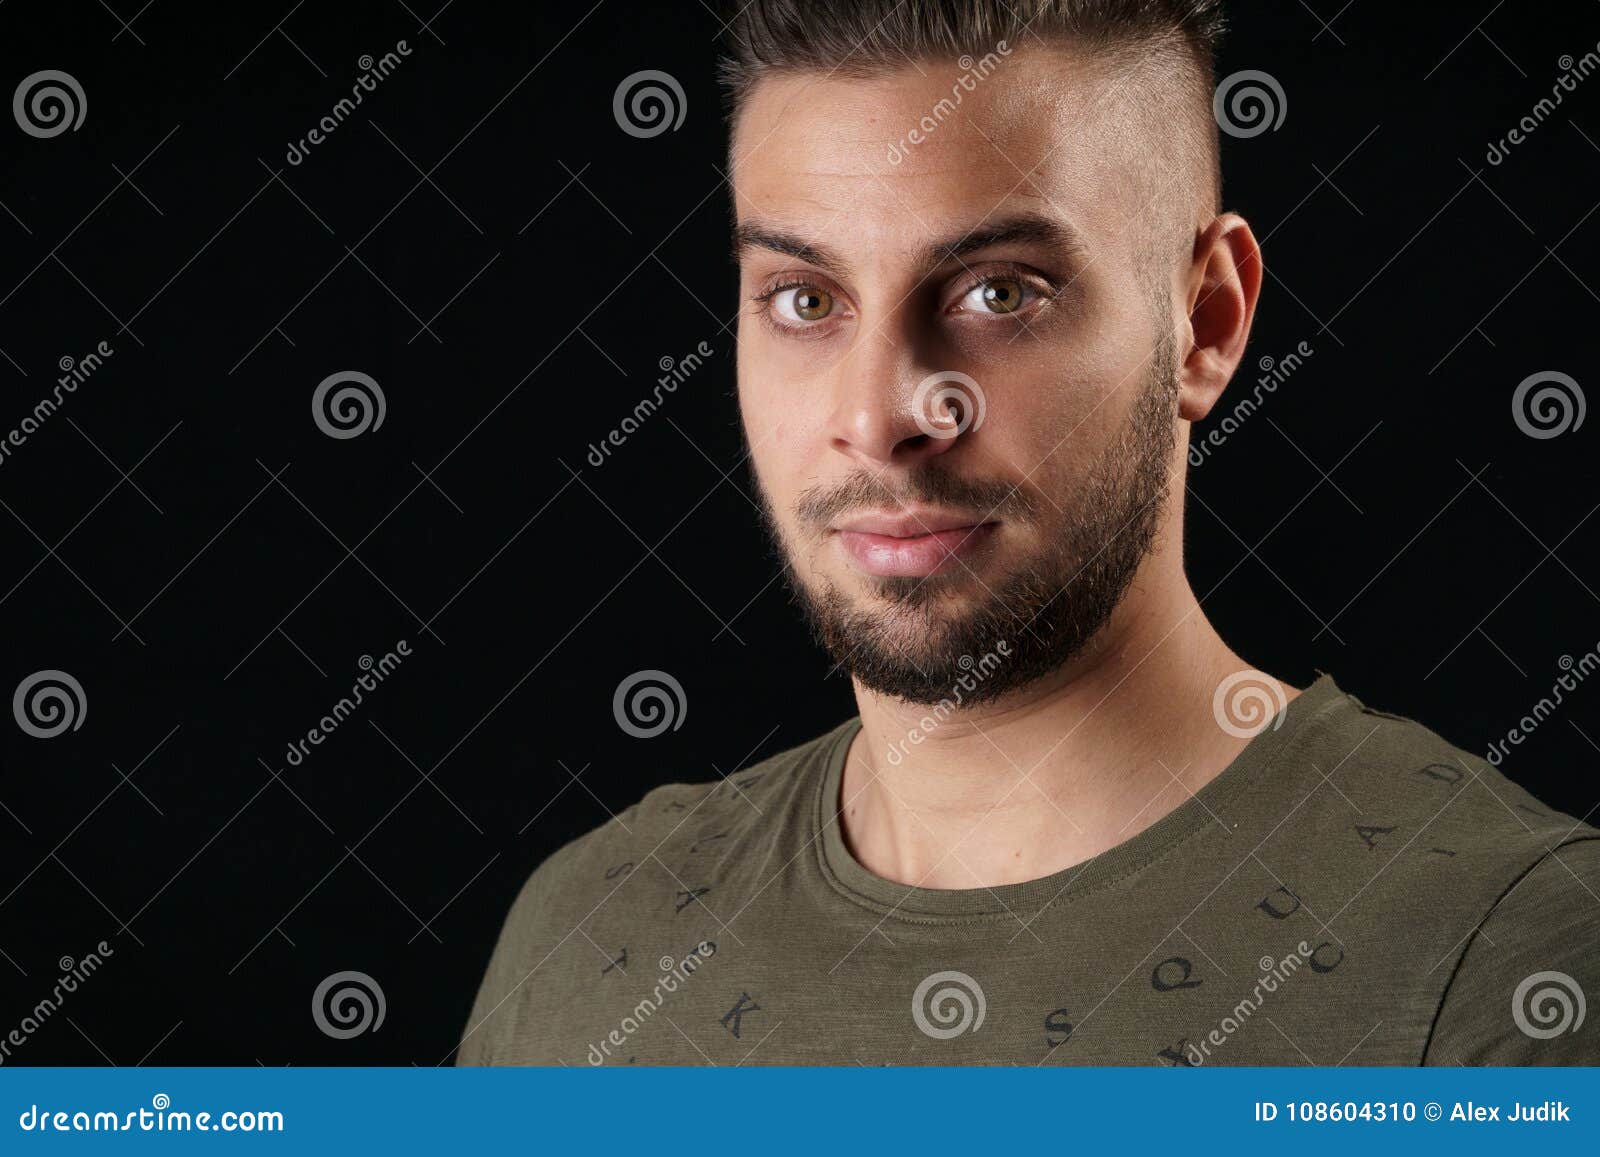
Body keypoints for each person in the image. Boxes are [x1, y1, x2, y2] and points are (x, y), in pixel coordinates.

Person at [459, 0, 1599, 1066]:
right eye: (807, 299)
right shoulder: (585, 944)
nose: (878, 416)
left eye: (999, 292)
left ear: (1205, 320)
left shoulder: (1507, 964)